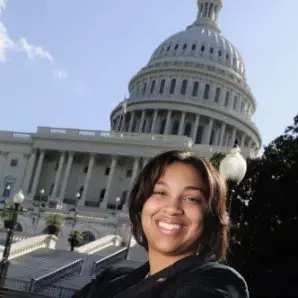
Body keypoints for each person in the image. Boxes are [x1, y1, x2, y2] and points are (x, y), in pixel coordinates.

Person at [73, 150, 249, 298]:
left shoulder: (217, 282)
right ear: (141, 203)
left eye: (191, 198)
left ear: (210, 216)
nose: (172, 208)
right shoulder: (110, 278)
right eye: (161, 192)